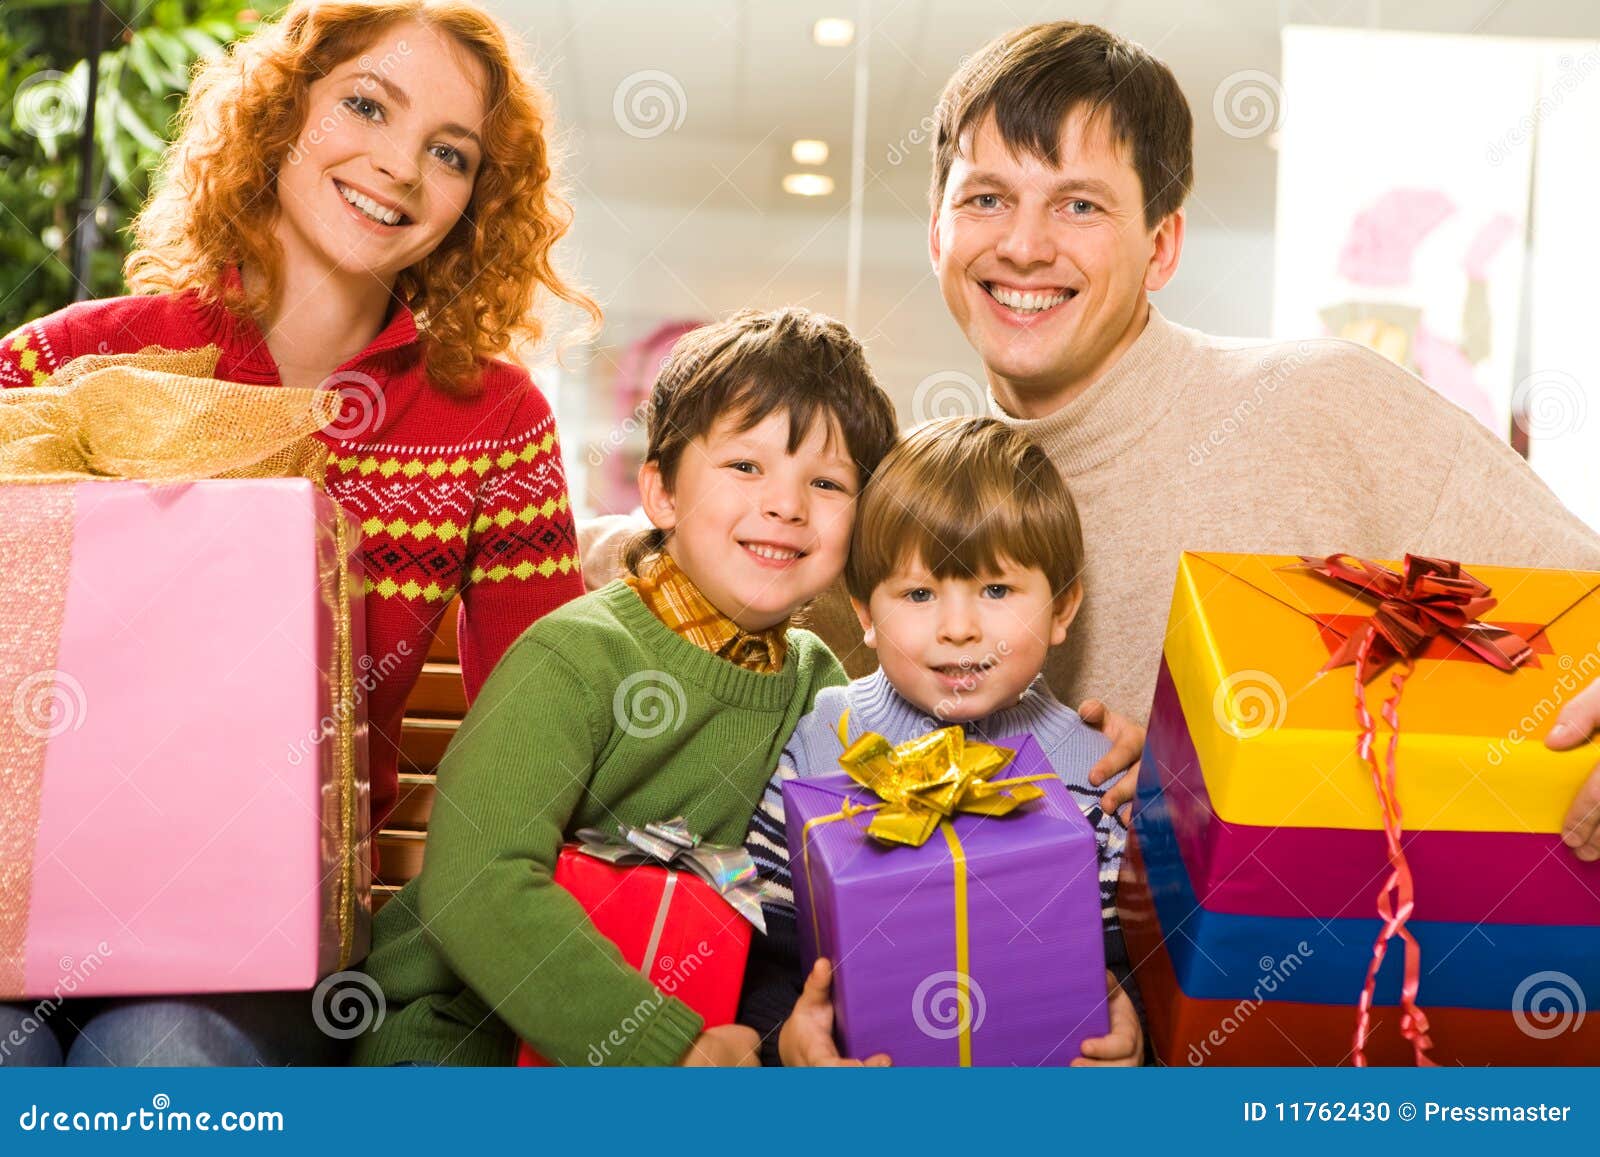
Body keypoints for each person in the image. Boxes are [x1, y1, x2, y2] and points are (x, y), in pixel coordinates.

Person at [582, 19, 1600, 842]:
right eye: (986, 198)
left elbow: (1580, 595)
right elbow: (697, 563)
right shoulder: (912, 500)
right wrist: (644, 543)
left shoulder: (1324, 403)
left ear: (1161, 246)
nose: (1024, 245)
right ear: (938, 229)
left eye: (1078, 204)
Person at [0, 0, 592, 1065]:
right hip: (25, 896)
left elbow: (544, 726)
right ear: (281, 112)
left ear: (475, 199)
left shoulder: (493, 421)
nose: (400, 169)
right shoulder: (63, 365)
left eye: (449, 153)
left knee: (162, 1050)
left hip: (272, 940)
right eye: (367, 104)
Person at [350, 307, 900, 1066]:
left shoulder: (819, 686)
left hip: (700, 1036)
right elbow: (477, 884)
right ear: (663, 493)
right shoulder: (574, 657)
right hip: (461, 1038)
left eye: (829, 481)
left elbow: (856, 887)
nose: (787, 504)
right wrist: (664, 1051)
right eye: (746, 466)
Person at [740, 417, 1143, 1066]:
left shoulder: (1100, 777)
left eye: (996, 589)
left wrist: (1130, 1035)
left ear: (1062, 608)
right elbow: (764, 954)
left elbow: (1129, 970)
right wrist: (784, 1036)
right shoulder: (811, 752)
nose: (958, 628)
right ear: (867, 613)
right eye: (920, 592)